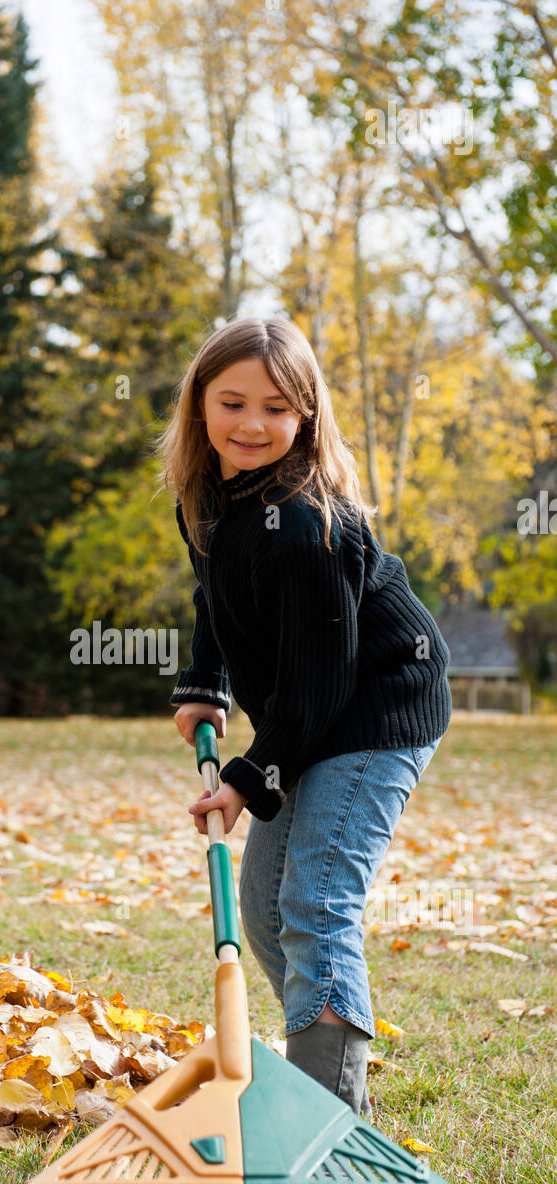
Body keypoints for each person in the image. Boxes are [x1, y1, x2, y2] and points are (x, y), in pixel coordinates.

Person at [160, 316, 451, 1120]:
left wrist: (247, 780)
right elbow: (214, 595)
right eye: (232, 402)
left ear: (306, 418)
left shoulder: (301, 525)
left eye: (278, 409)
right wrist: (204, 681)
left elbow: (319, 690)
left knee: (316, 902)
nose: (252, 425)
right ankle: (321, 1065)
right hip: (310, 710)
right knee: (262, 906)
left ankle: (331, 1123)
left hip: (379, 708)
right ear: (199, 405)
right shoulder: (205, 498)